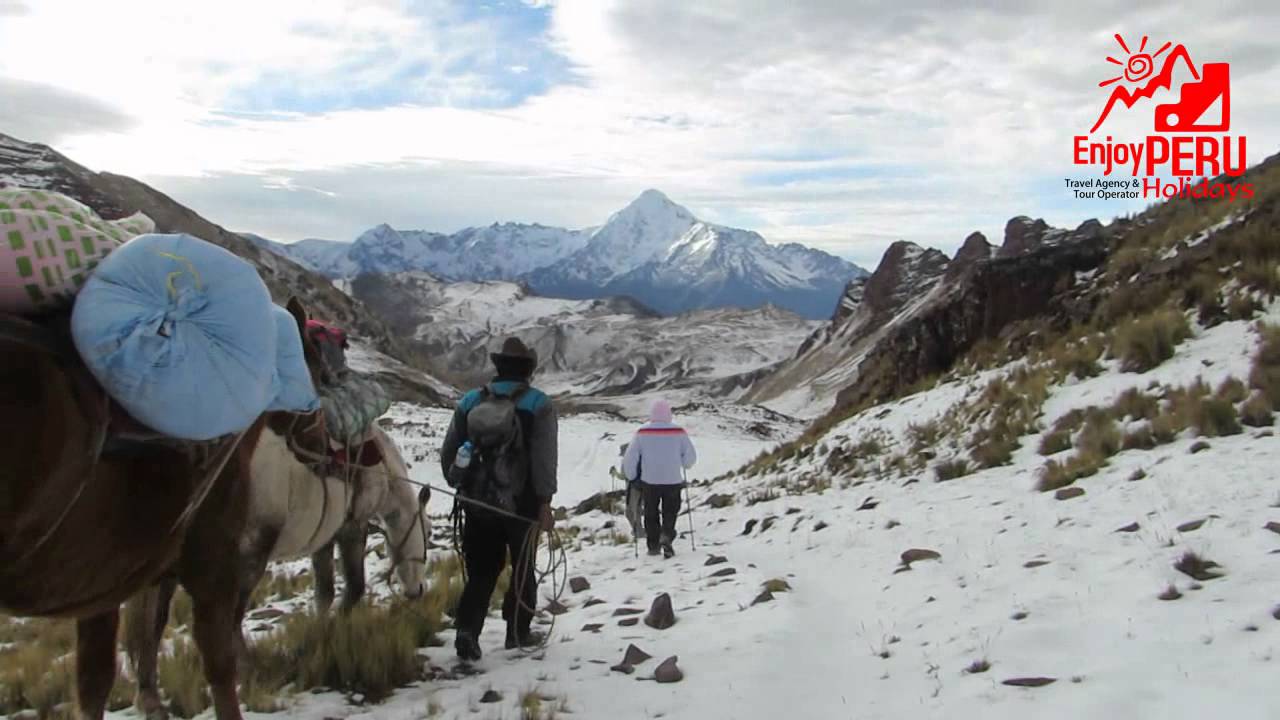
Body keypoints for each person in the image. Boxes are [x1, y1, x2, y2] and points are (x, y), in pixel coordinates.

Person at [440, 337, 558, 662]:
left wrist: (461, 483)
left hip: (477, 504)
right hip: (522, 506)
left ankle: (467, 632)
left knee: (481, 570)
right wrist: (545, 502)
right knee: (523, 568)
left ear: (499, 367)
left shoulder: (469, 401)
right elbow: (544, 461)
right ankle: (517, 632)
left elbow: (449, 454)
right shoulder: (539, 404)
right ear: (528, 371)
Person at [623, 399, 696, 558]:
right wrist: (684, 463)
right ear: (669, 414)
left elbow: (630, 457)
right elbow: (690, 458)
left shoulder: (642, 432)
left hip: (650, 480)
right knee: (671, 510)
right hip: (673, 480)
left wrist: (631, 476)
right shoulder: (678, 432)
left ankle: (653, 545)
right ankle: (667, 535)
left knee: (651, 513)